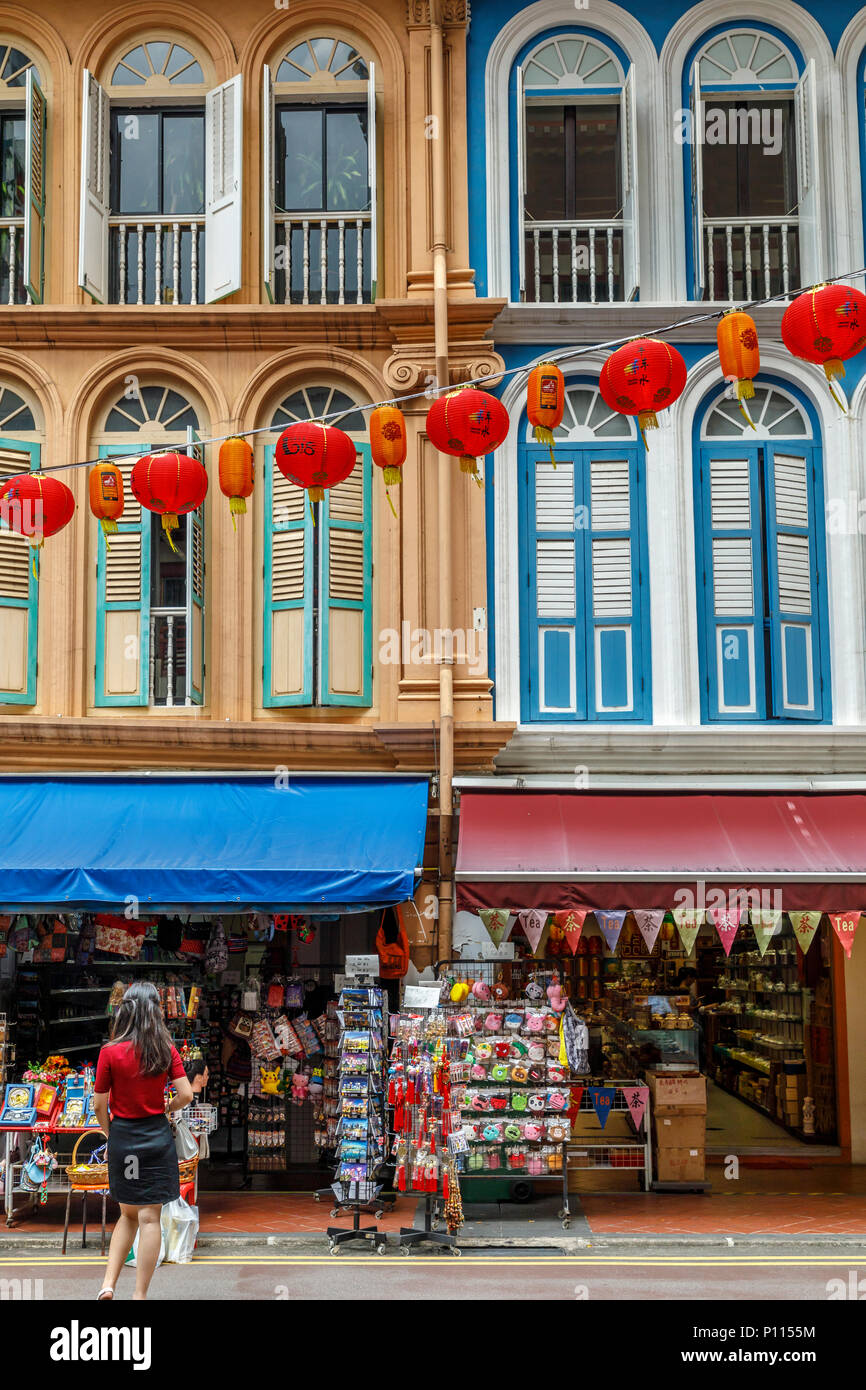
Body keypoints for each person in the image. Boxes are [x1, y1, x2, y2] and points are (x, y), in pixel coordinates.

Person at [92, 981, 193, 1301]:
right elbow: (187, 1094)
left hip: (125, 1139)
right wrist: (168, 1107)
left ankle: (108, 1284)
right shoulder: (166, 1048)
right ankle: (139, 1296)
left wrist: (112, 1133)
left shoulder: (110, 1051)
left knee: (127, 1215)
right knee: (151, 1218)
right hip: (156, 1140)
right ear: (155, 1011)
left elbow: (98, 1104)